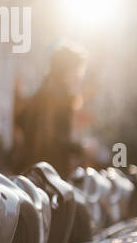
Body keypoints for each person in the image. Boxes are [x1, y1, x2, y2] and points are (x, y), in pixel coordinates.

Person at [15, 44, 86, 174]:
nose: (78, 76)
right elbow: (54, 139)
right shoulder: (60, 98)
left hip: (30, 173)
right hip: (50, 176)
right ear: (65, 71)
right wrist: (82, 148)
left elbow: (20, 120)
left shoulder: (41, 93)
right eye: (77, 70)